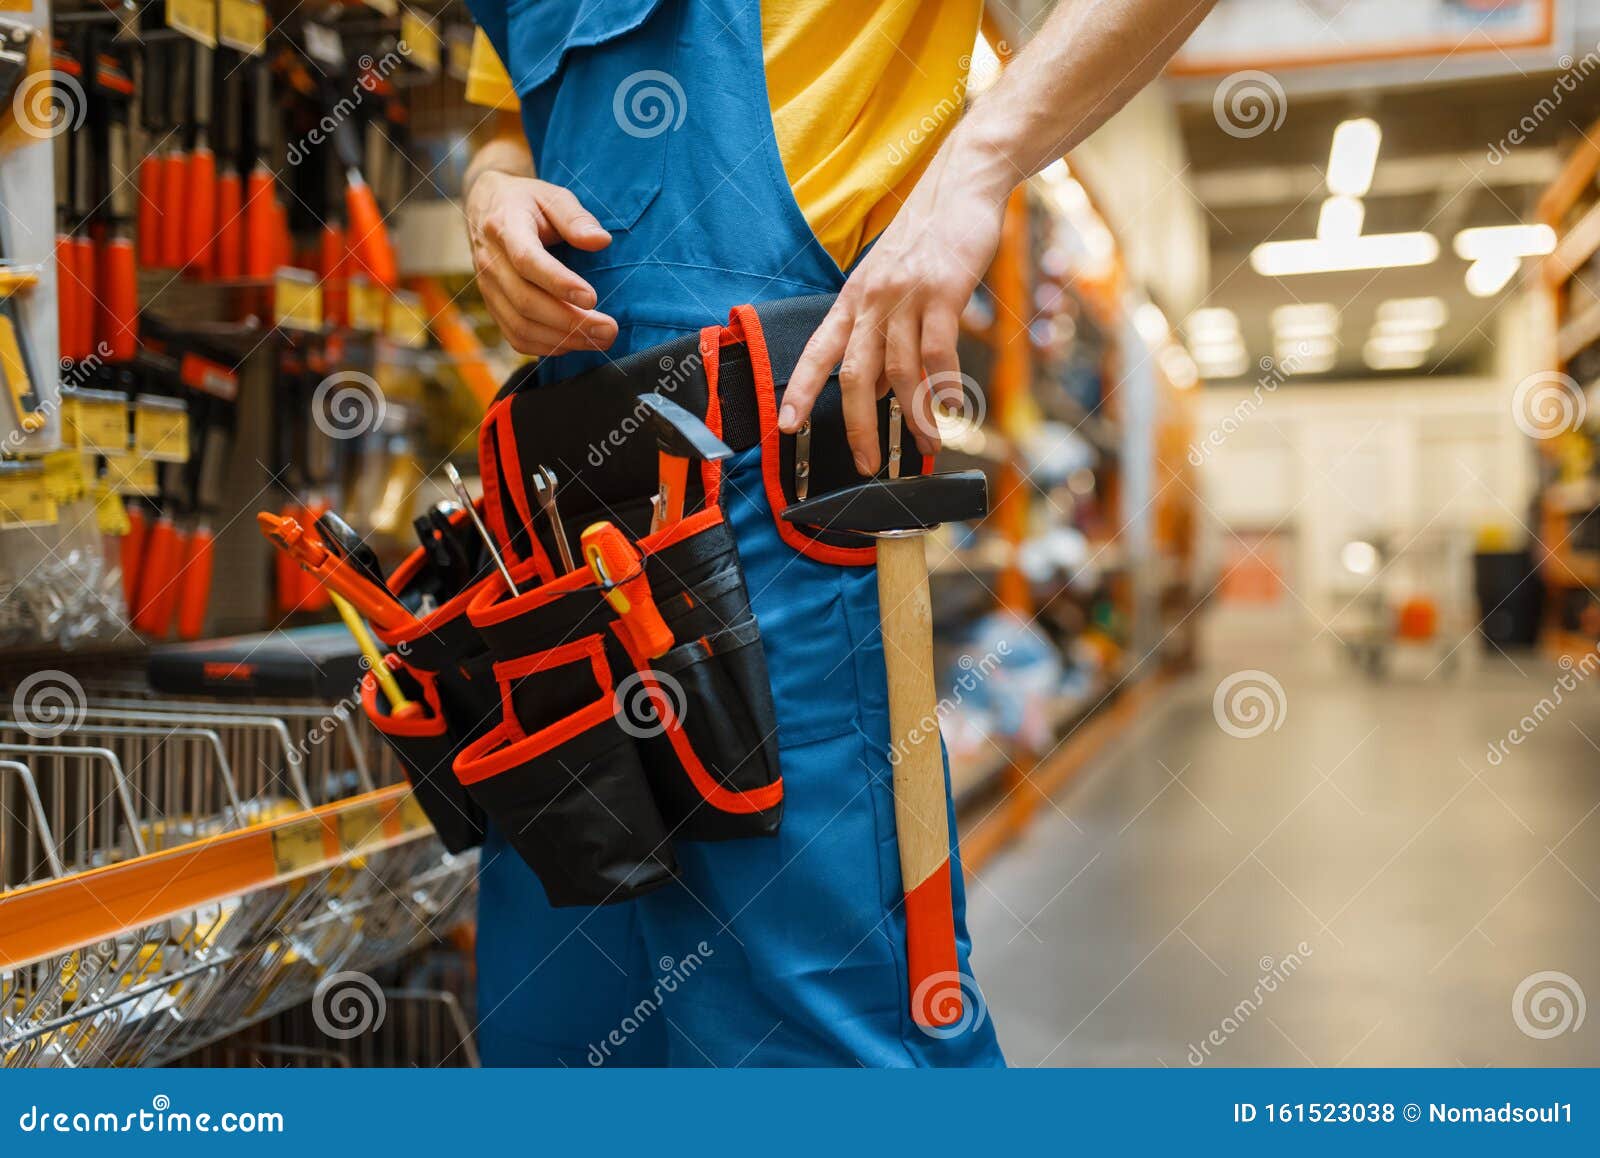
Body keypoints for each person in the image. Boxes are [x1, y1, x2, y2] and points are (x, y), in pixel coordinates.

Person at [460, 0, 1215, 1067]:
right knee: (559, 1037)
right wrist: (488, 191)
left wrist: (979, 160)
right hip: (556, 535)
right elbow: (501, 103)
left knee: (814, 1041)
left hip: (778, 504)